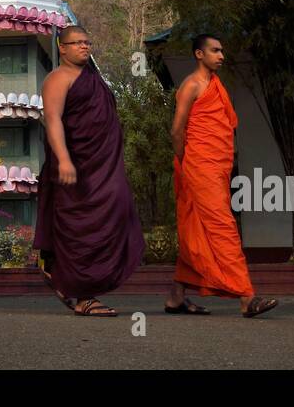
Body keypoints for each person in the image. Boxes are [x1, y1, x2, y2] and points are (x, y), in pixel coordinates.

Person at [164, 34, 279, 318]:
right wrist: (186, 162)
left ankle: (177, 296)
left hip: (216, 166)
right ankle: (246, 297)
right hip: (199, 166)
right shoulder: (191, 85)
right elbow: (177, 130)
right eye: (215, 50)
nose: (222, 56)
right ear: (199, 54)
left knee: (197, 228)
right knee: (222, 227)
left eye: (222, 51)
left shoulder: (216, 85)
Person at [35, 25, 144, 316]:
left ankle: (56, 270)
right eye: (77, 43)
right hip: (75, 165)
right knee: (82, 227)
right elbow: (53, 120)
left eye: (87, 42)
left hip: (102, 166)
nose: (84, 47)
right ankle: (83, 295)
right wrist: (64, 159)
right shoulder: (58, 79)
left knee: (118, 209)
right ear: (62, 48)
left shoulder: (94, 79)